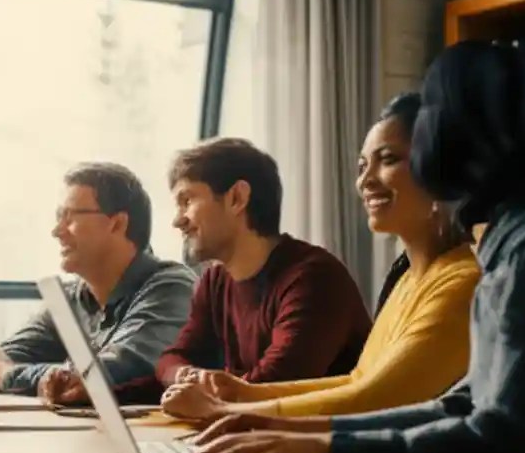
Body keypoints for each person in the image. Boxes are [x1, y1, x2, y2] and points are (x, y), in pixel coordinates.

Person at [188, 41, 525, 453]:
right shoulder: (523, 235)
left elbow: (509, 436)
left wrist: (326, 446)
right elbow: (463, 405)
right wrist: (291, 431)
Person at [160, 93, 479, 424]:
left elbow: (378, 399)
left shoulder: (463, 283)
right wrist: (243, 393)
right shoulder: (409, 281)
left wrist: (228, 410)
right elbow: (358, 380)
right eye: (361, 167)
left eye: (388, 159)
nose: (364, 181)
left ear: (437, 171)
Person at [0, 163, 197, 406]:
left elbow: (104, 375)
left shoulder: (170, 287)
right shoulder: (73, 297)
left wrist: (2, 374)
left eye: (69, 217)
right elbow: (10, 354)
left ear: (117, 223)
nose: (56, 231)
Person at [154, 138, 372, 395]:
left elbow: (274, 384)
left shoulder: (315, 279)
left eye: (187, 201)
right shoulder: (215, 281)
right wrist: (184, 375)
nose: (177, 220)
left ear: (237, 198)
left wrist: (196, 387)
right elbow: (173, 359)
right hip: (255, 418)